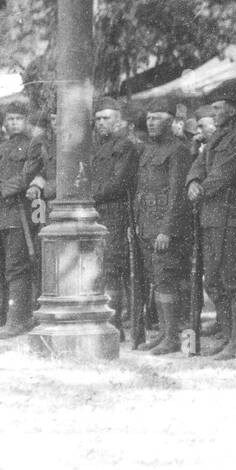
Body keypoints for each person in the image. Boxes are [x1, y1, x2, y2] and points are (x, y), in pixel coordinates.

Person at [186, 81, 236, 359]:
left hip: (230, 218)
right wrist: (192, 181)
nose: (214, 113)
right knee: (213, 280)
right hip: (212, 217)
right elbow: (200, 164)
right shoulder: (217, 137)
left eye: (218, 108)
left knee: (233, 280)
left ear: (232, 110)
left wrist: (200, 189)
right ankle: (229, 335)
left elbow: (223, 174)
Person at [134, 98, 193, 356]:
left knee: (167, 279)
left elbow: (177, 194)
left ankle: (172, 337)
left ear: (170, 121)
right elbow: (141, 189)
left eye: (156, 118)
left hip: (164, 228)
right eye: (149, 118)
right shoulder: (147, 150)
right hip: (147, 224)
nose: (151, 123)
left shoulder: (178, 150)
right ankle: (163, 333)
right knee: (157, 280)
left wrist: (166, 229)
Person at [0, 101, 40, 338]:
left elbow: (28, 175)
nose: (13, 122)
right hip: (0, 213)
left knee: (18, 265)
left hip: (24, 214)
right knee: (4, 265)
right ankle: (12, 316)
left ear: (27, 120)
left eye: (18, 118)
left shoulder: (34, 145)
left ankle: (19, 319)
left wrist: (2, 187)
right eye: (10, 119)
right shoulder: (2, 148)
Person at [91, 96, 140, 335]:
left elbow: (118, 183)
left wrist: (89, 196)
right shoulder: (95, 146)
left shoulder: (125, 146)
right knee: (97, 267)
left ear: (118, 120)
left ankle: (113, 324)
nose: (101, 122)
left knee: (112, 267)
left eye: (106, 118)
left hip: (115, 212)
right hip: (96, 212)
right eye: (98, 118)